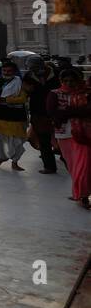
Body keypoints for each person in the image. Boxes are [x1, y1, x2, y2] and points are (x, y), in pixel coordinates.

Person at [48, 67, 91, 208]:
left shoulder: (85, 93)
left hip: (82, 134)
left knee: (83, 166)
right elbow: (53, 113)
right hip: (64, 134)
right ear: (60, 81)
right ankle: (79, 192)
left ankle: (83, 195)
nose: (69, 83)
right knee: (73, 167)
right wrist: (76, 112)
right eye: (65, 80)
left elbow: (88, 111)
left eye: (72, 80)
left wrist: (66, 111)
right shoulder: (54, 94)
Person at [0, 60, 29, 170]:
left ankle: (15, 161)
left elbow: (23, 98)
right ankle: (2, 156)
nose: (6, 72)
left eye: (9, 71)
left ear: (14, 72)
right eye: (4, 70)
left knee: (17, 141)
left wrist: (7, 100)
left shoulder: (20, 83)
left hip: (16, 116)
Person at [26, 61, 59, 174]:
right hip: (38, 113)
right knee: (44, 140)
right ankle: (49, 166)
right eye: (32, 68)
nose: (34, 70)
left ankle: (70, 161)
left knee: (63, 139)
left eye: (36, 67)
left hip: (57, 113)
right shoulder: (29, 76)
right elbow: (25, 91)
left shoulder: (56, 74)